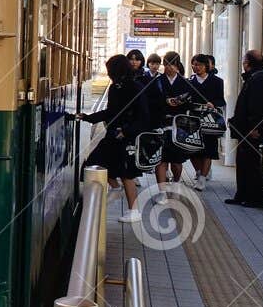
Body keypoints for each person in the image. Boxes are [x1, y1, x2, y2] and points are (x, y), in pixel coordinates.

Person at [79, 54, 154, 222]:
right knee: (94, 162)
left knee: (126, 173)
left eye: (110, 70)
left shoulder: (135, 87)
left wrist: (127, 132)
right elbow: (111, 112)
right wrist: (87, 117)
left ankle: (134, 211)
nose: (109, 73)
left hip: (128, 137)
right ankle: (115, 188)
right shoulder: (115, 87)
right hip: (113, 135)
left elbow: (143, 116)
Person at [226, 49, 263, 208]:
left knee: (251, 164)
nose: (242, 63)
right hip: (247, 129)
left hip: (252, 130)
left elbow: (256, 107)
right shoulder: (256, 77)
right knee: (243, 162)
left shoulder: (258, 80)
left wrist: (254, 127)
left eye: (244, 60)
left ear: (247, 63)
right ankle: (242, 195)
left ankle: (255, 198)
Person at [147, 51, 192, 185]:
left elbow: (190, 101)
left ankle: (176, 182)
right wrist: (165, 102)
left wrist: (180, 102)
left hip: (179, 125)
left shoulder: (185, 82)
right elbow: (149, 101)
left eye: (173, 64)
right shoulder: (157, 81)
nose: (170, 67)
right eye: (167, 64)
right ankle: (162, 189)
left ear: (178, 66)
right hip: (161, 123)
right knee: (161, 160)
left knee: (177, 161)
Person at [183, 53, 226, 191]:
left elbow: (221, 100)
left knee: (209, 150)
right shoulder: (188, 82)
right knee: (192, 149)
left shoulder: (217, 81)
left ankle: (202, 178)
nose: (196, 67)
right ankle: (199, 172)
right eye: (194, 64)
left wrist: (213, 104)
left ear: (206, 66)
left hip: (210, 121)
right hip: (193, 119)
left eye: (199, 65)